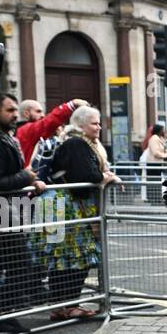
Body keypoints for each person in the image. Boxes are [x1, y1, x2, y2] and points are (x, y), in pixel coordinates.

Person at [31, 105, 119, 320]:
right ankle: (69, 305)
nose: (99, 127)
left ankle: (62, 306)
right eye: (94, 123)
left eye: (99, 122)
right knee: (77, 258)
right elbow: (85, 176)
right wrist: (106, 177)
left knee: (63, 259)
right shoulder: (77, 143)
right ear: (80, 125)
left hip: (62, 206)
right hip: (69, 208)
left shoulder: (74, 142)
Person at [0, 91, 48, 334]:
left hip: (11, 209)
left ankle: (3, 317)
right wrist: (26, 177)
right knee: (20, 266)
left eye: (16, 110)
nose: (15, 115)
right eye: (10, 110)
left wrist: (29, 182)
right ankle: (1, 317)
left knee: (11, 267)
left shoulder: (5, 137)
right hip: (0, 211)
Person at [15, 97, 85, 168]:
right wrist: (72, 104)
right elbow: (49, 122)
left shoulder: (26, 132)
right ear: (26, 113)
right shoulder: (26, 130)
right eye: (38, 111)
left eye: (42, 112)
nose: (43, 115)